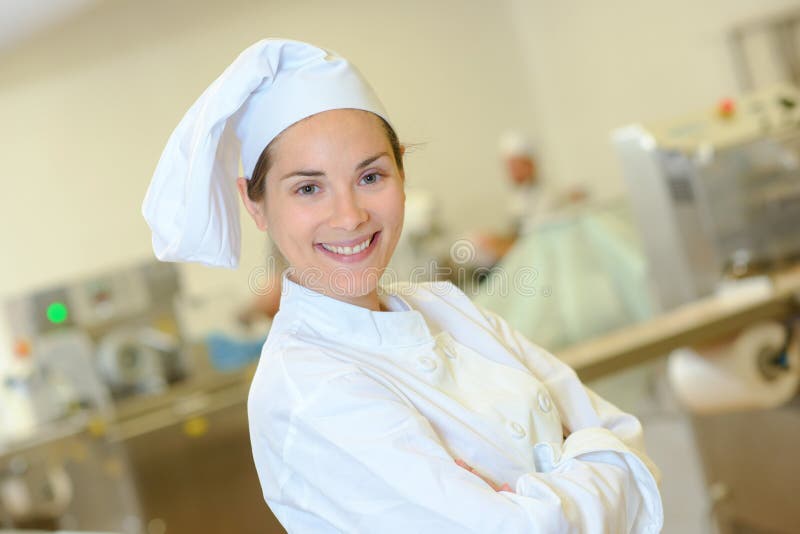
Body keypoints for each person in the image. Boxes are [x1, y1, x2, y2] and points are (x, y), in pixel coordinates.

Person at [142, 39, 663, 533]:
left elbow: (626, 438)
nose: (349, 216)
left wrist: (538, 494)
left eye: (370, 177)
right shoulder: (306, 388)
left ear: (401, 174)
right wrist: (578, 457)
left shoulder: (445, 306)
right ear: (254, 203)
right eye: (308, 188)